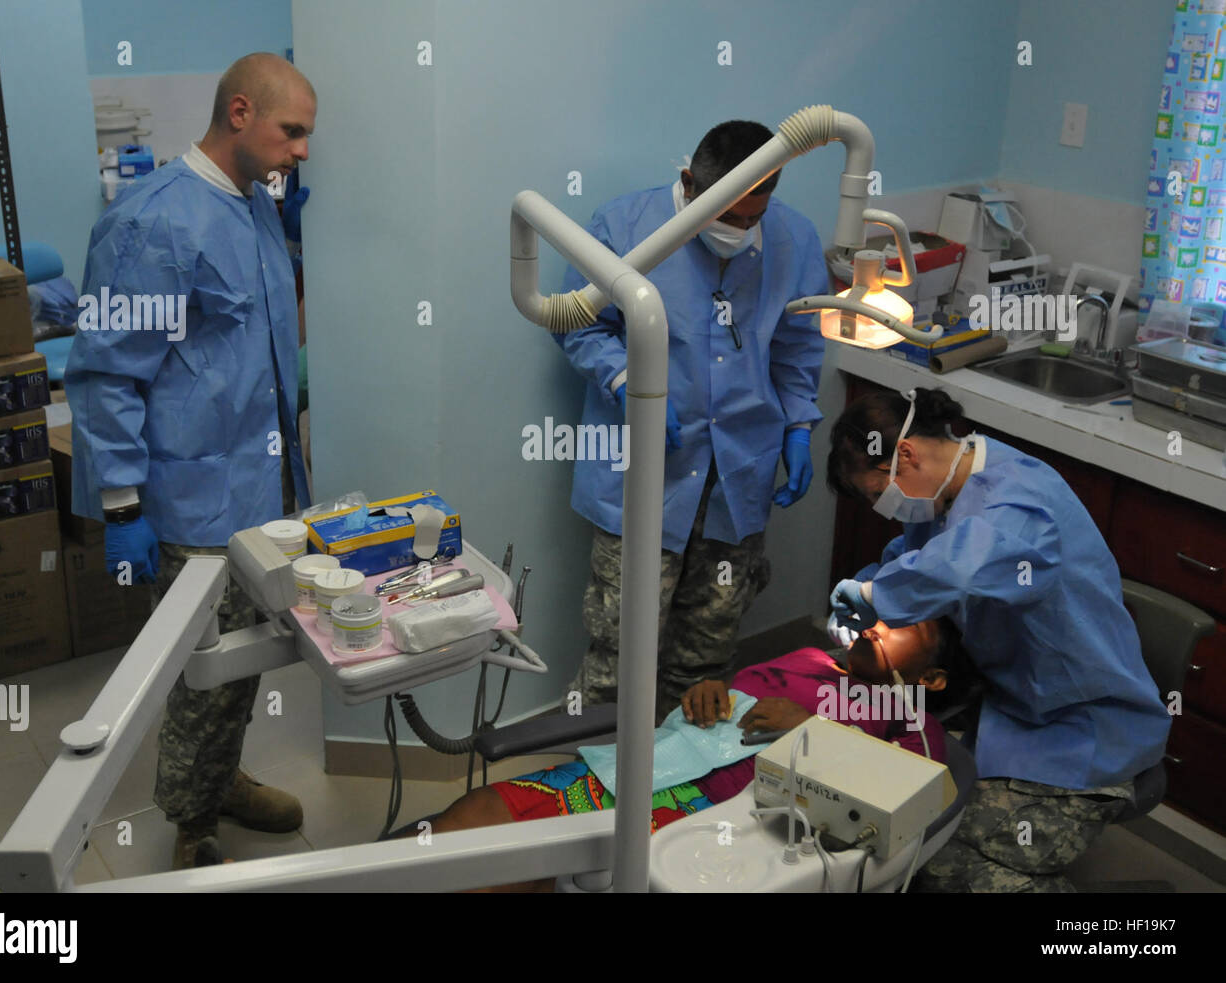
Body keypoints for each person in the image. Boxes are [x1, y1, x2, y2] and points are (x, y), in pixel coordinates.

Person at [64, 53, 316, 868]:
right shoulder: (150, 222)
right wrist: (125, 507)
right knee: (203, 677)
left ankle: (222, 781)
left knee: (241, 668)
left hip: (264, 488)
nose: (302, 151)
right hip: (193, 500)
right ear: (239, 112)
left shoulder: (256, 206)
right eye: (292, 132)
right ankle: (192, 824)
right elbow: (107, 373)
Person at [826, 387, 1171, 892]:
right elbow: (922, 555)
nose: (882, 507)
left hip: (1086, 734)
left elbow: (964, 564)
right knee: (911, 828)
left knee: (932, 852)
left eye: (878, 494)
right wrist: (879, 577)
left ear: (904, 454)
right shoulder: (948, 487)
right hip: (1011, 706)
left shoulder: (1019, 500)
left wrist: (879, 592)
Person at [556, 120, 829, 721]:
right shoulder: (623, 227)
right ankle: (594, 787)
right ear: (688, 181)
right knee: (619, 651)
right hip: (643, 473)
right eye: (725, 214)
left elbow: (798, 347)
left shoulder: (795, 240)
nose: (738, 229)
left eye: (751, 216)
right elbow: (577, 323)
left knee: (706, 656)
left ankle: (684, 788)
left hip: (740, 472)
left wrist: (798, 428)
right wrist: (630, 383)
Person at [411, 618, 963, 890]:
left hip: (720, 817)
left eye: (902, 627)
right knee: (477, 818)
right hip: (641, 769)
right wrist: (704, 690)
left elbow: (907, 795)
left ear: (933, 678)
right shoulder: (808, 660)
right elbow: (720, 699)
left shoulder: (913, 727)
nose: (876, 625)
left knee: (528, 866)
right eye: (884, 614)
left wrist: (809, 727)